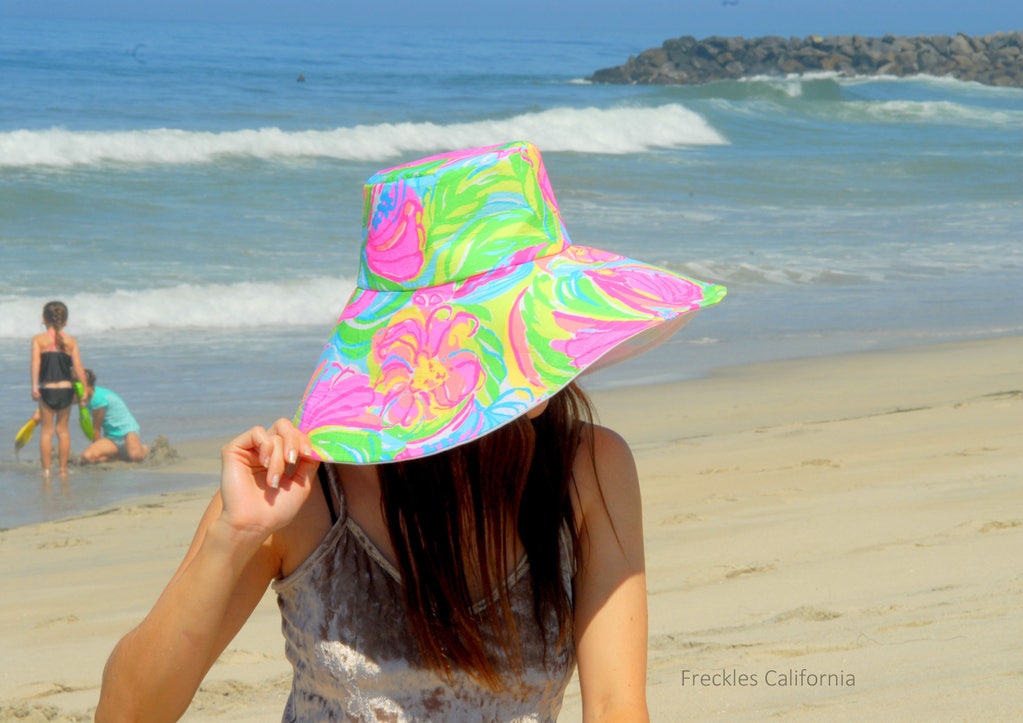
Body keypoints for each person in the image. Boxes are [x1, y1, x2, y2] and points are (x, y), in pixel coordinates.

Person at [96, 141, 726, 722]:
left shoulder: (588, 467)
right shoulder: (305, 491)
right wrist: (232, 536)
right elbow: (127, 712)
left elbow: (617, 704)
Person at [30, 300, 88, 477]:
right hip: (65, 390)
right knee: (63, 431)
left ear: (43, 319)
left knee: (47, 432)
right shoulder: (71, 341)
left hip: (47, 390)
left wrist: (34, 386)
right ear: (66, 321)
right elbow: (78, 367)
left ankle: (46, 470)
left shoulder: (39, 340)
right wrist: (85, 390)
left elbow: (35, 363)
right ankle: (62, 470)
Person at [80, 369, 150, 464]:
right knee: (87, 457)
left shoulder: (97, 398)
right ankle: (120, 456)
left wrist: (96, 448)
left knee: (136, 457)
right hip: (111, 438)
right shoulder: (85, 395)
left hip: (128, 432)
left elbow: (96, 429)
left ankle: (145, 449)